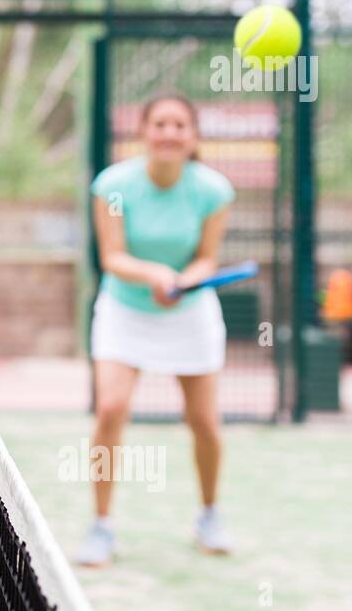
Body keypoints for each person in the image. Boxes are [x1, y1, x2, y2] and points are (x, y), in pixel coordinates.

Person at [76, 93, 236, 567]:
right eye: (160, 124)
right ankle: (101, 526)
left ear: (193, 137)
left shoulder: (213, 190)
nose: (169, 133)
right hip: (125, 309)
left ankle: (209, 515)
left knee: (204, 423)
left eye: (179, 125)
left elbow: (207, 257)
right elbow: (112, 258)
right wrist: (155, 276)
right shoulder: (113, 185)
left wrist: (185, 280)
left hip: (190, 314)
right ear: (144, 132)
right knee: (110, 408)